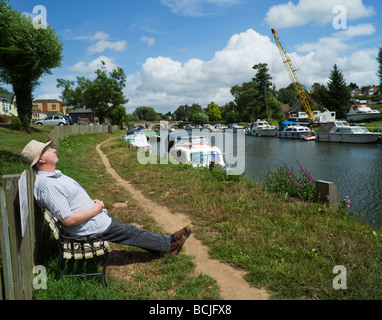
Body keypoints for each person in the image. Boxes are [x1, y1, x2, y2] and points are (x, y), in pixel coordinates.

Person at [21, 140, 191, 255]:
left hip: (92, 219)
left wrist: (90, 205)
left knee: (130, 231)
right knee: (130, 231)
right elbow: (68, 220)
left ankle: (160, 246)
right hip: (87, 229)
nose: (54, 149)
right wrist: (95, 209)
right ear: (41, 159)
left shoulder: (52, 177)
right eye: (48, 149)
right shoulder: (49, 186)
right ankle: (169, 244)